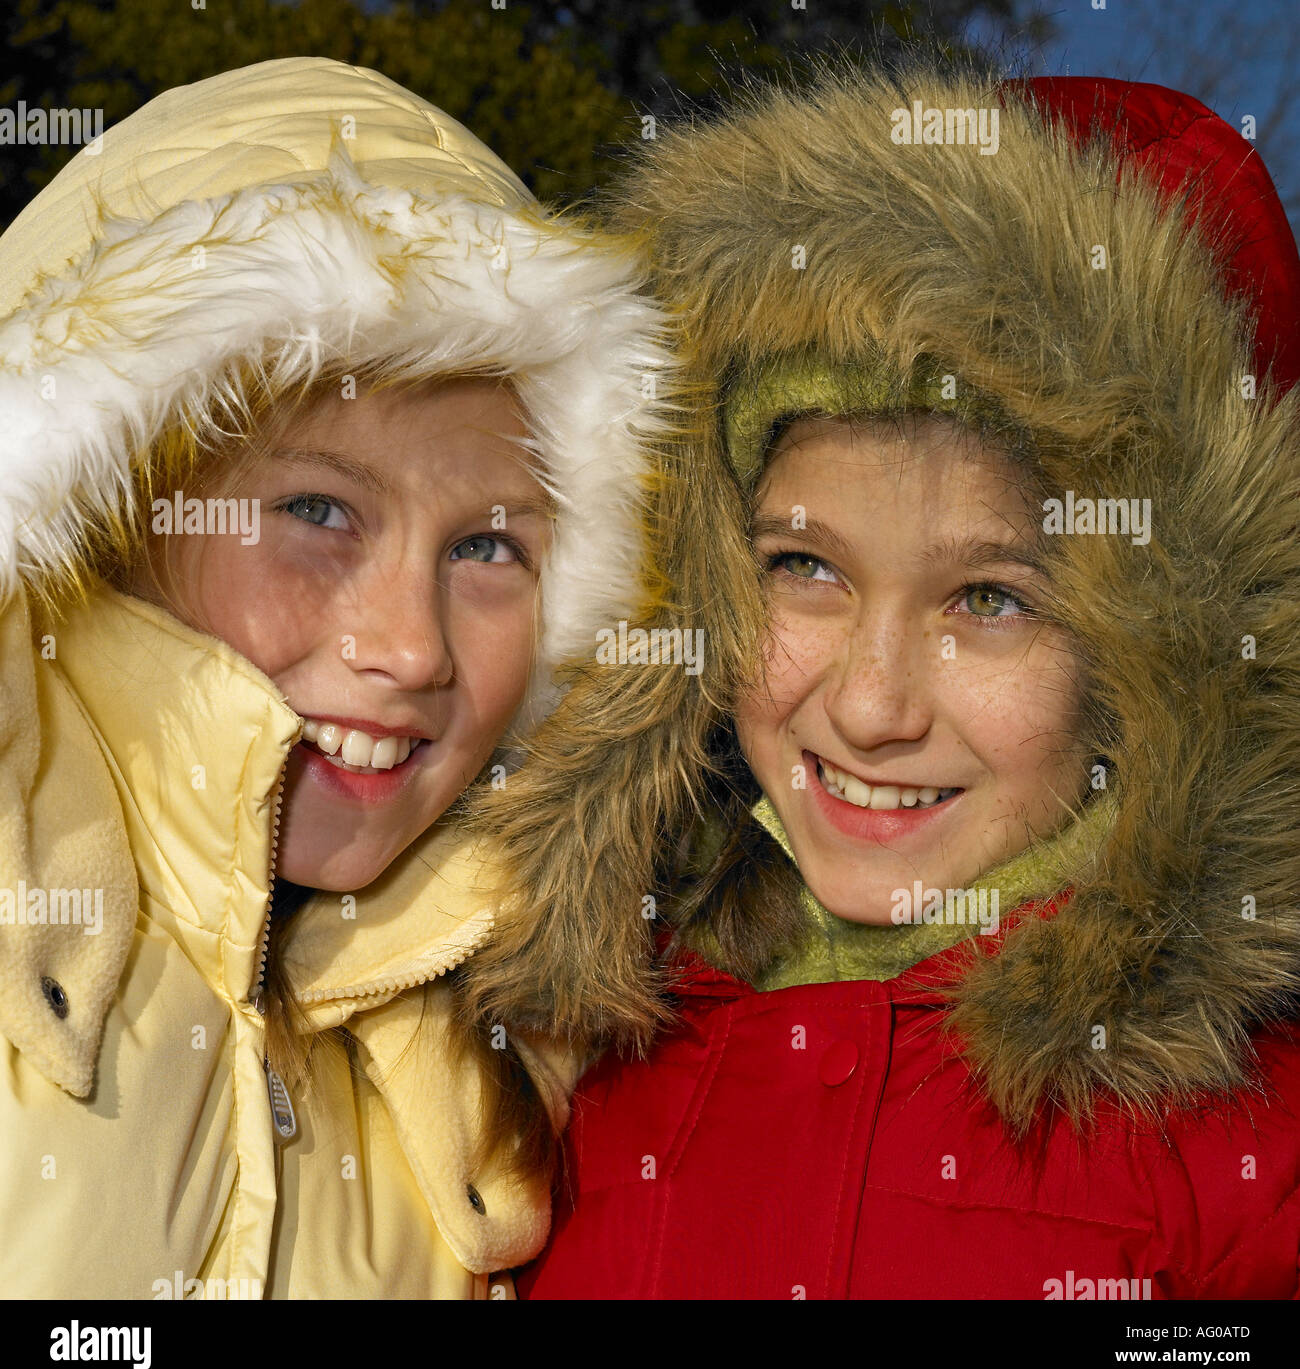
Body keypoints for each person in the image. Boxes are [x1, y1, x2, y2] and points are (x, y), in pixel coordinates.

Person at [510, 63, 1300, 1298]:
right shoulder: (564, 1053)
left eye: (989, 600)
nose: (872, 707)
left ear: (1161, 669)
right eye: (804, 566)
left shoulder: (1249, 1150)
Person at [0, 56, 668, 1299]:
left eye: (487, 547)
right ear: (108, 511)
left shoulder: (512, 1056)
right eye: (317, 509)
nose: (409, 647)